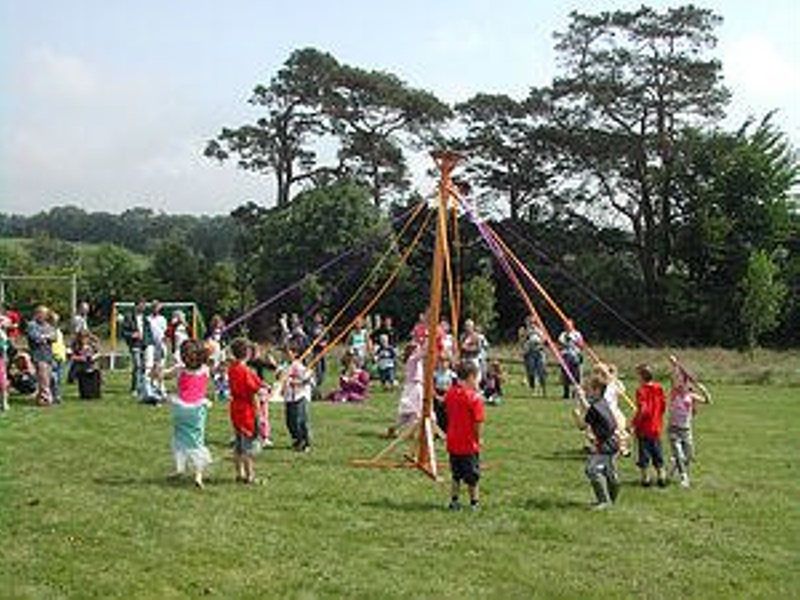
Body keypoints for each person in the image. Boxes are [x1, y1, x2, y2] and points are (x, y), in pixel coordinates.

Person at [167, 339, 213, 489]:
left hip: (180, 409)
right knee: (197, 440)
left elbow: (164, 375)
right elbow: (210, 350)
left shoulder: (180, 369)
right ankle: (198, 475)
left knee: (179, 437)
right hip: (197, 410)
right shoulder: (206, 370)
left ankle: (179, 469)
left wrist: (156, 371)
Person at [573, 374, 620, 509]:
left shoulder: (595, 407)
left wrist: (576, 415)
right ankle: (611, 499)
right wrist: (581, 397)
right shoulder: (602, 402)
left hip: (604, 444)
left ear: (598, 390)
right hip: (613, 442)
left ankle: (604, 501)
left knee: (592, 470)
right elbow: (590, 411)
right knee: (610, 471)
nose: (587, 391)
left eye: (590, 389)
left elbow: (582, 425)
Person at [445, 360, 485, 511]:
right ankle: (474, 502)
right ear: (471, 377)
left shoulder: (451, 393)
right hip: (468, 444)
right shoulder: (474, 399)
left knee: (456, 474)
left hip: (453, 441)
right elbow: (477, 423)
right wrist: (478, 439)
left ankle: (454, 501)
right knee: (472, 476)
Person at [667, 355, 712, 488]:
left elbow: (708, 401)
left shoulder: (691, 396)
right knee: (679, 454)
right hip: (673, 428)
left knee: (689, 456)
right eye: (678, 382)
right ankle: (684, 477)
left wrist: (705, 391)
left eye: (682, 382)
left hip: (686, 429)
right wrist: (675, 365)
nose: (679, 384)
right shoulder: (674, 393)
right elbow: (674, 377)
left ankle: (676, 464)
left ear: (687, 384)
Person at [227, 338, 266, 484]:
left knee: (238, 443)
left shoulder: (232, 368)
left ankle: (239, 473)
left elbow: (257, 383)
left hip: (235, 409)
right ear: (248, 353)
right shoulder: (245, 371)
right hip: (246, 411)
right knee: (247, 445)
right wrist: (259, 413)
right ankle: (250, 476)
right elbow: (254, 390)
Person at [632, 363, 667, 487]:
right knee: (657, 452)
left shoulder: (641, 390)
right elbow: (663, 406)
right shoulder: (659, 388)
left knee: (644, 454)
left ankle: (646, 478)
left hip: (644, 428)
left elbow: (643, 410)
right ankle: (661, 475)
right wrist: (657, 417)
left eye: (638, 376)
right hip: (656, 426)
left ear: (642, 376)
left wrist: (634, 423)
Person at [388, 340, 425, 437]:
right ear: (413, 351)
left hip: (413, 386)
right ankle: (410, 432)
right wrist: (430, 339)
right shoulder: (413, 359)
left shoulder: (414, 360)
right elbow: (424, 353)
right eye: (417, 348)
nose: (419, 349)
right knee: (415, 411)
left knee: (408, 413)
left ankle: (395, 427)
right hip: (414, 387)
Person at [280, 345, 314, 451]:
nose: (285, 354)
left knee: (299, 420)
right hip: (289, 397)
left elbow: (310, 379)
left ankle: (305, 441)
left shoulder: (299, 366)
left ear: (295, 353)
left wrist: (298, 382)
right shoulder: (285, 366)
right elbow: (279, 376)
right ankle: (296, 439)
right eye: (284, 353)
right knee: (290, 421)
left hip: (300, 396)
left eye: (288, 352)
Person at [26, 305, 55, 406]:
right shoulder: (32, 325)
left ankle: (41, 400)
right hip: (38, 355)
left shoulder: (48, 325)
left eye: (46, 314)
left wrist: (44, 337)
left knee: (47, 377)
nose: (44, 316)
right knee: (43, 379)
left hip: (48, 355)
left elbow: (54, 337)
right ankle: (48, 399)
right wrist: (46, 337)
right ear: (37, 314)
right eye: (42, 313)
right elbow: (36, 338)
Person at [121, 298, 147, 397]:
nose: (143, 307)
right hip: (134, 344)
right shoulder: (129, 317)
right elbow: (123, 332)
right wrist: (132, 335)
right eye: (141, 305)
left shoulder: (145, 318)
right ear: (136, 306)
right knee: (137, 365)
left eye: (144, 305)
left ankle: (141, 387)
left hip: (144, 345)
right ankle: (135, 388)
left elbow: (147, 331)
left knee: (144, 367)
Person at [520, 318, 547, 397]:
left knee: (541, 370)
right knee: (531, 371)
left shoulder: (540, 330)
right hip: (529, 352)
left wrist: (538, 333)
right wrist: (526, 335)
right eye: (530, 323)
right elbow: (522, 341)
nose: (532, 324)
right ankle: (533, 390)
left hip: (539, 351)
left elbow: (545, 340)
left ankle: (543, 389)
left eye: (533, 322)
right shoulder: (525, 331)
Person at [558, 320, 584, 400]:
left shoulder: (577, 334)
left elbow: (581, 345)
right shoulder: (563, 334)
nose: (567, 327)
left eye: (569, 325)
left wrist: (574, 340)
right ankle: (566, 393)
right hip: (566, 356)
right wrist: (564, 342)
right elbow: (559, 346)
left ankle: (575, 392)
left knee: (576, 375)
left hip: (575, 356)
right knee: (566, 375)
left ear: (572, 326)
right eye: (566, 325)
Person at [433, 355, 457, 434]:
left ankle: (446, 430)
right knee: (437, 413)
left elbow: (454, 387)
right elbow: (432, 386)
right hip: (437, 394)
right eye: (441, 362)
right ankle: (437, 431)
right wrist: (437, 396)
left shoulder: (452, 375)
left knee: (447, 414)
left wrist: (446, 396)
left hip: (448, 394)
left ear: (449, 363)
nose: (443, 364)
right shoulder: (435, 374)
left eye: (445, 362)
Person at [48, 311, 67, 404]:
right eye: (53, 320)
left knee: (59, 378)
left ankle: (57, 395)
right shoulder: (48, 329)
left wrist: (65, 351)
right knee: (53, 378)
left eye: (56, 320)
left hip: (61, 356)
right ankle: (52, 395)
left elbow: (61, 343)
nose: (55, 322)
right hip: (52, 356)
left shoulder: (58, 330)